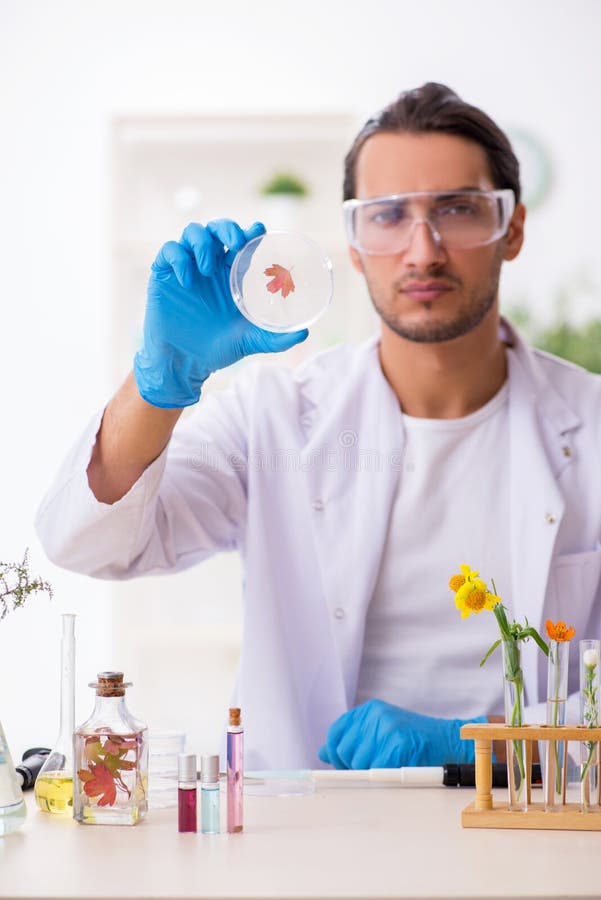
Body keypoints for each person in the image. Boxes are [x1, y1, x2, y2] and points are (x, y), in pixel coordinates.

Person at [35, 83, 601, 771]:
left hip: (528, 822)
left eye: (455, 209)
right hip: (312, 827)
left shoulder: (590, 426)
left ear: (510, 229)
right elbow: (88, 545)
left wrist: (482, 743)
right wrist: (159, 382)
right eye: (387, 215)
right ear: (355, 244)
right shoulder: (274, 414)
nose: (422, 251)